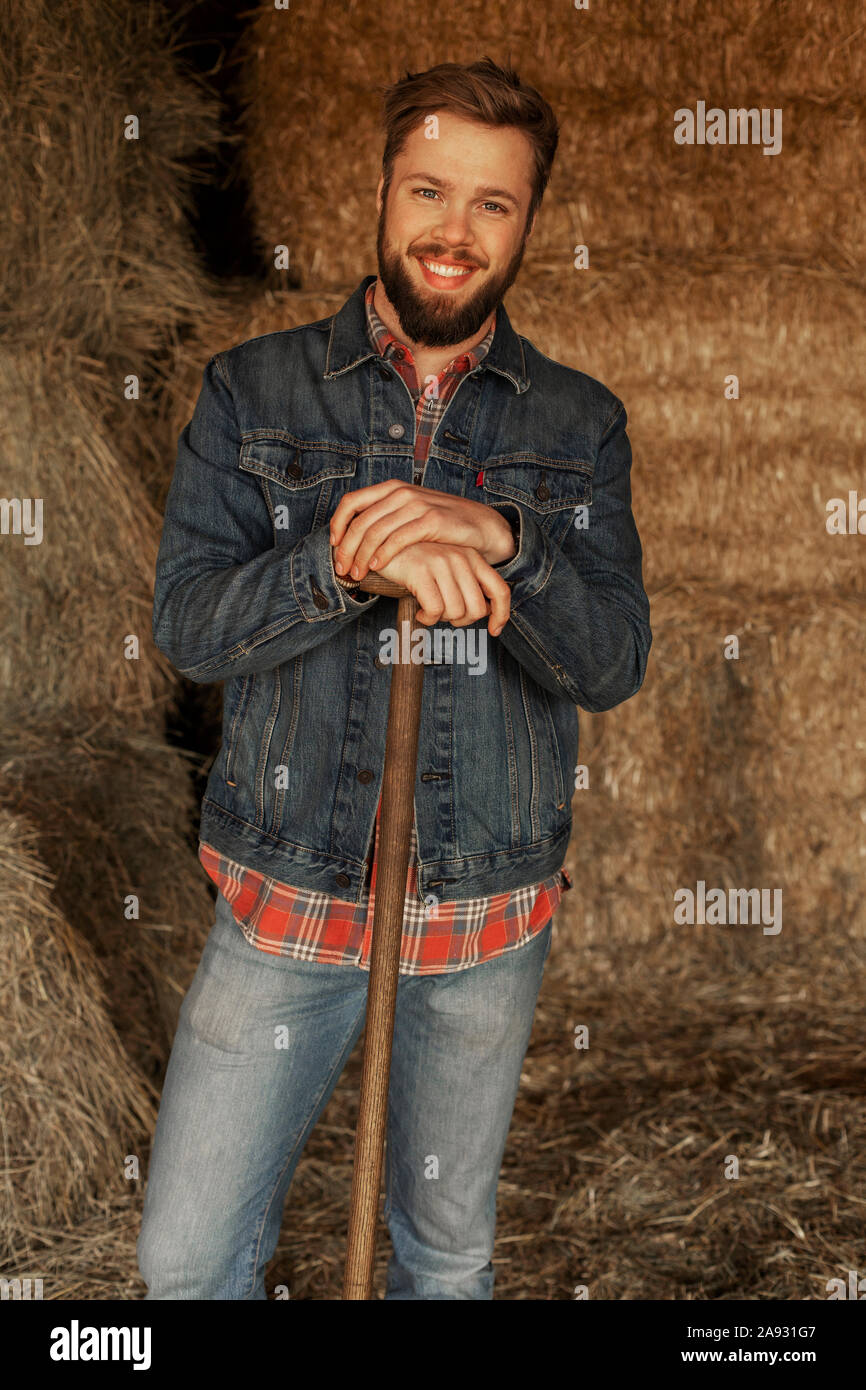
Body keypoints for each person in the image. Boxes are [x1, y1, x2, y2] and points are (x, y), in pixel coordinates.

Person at [139, 57, 652, 1300]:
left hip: (482, 912)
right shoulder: (253, 390)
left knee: (443, 1253)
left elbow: (611, 660)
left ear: (529, 221)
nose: (453, 230)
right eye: (429, 190)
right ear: (380, 189)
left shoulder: (574, 426)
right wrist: (341, 558)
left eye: (492, 203)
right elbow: (192, 630)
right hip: (288, 898)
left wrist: (504, 542)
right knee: (186, 1257)